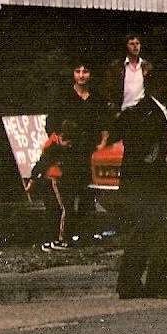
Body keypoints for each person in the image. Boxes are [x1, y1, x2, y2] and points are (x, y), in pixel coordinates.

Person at [116, 68, 167, 299]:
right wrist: (156, 170)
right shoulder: (147, 112)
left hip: (155, 181)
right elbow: (142, 150)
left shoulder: (155, 110)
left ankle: (150, 281)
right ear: (155, 87)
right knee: (152, 231)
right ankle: (143, 283)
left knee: (158, 230)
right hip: (150, 183)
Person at [40, 61, 102, 251]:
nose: (82, 75)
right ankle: (62, 237)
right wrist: (58, 138)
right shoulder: (64, 96)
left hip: (89, 151)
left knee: (87, 195)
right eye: (78, 71)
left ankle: (84, 234)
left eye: (85, 71)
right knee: (66, 197)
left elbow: (102, 122)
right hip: (68, 151)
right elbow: (51, 123)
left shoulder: (96, 98)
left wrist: (101, 142)